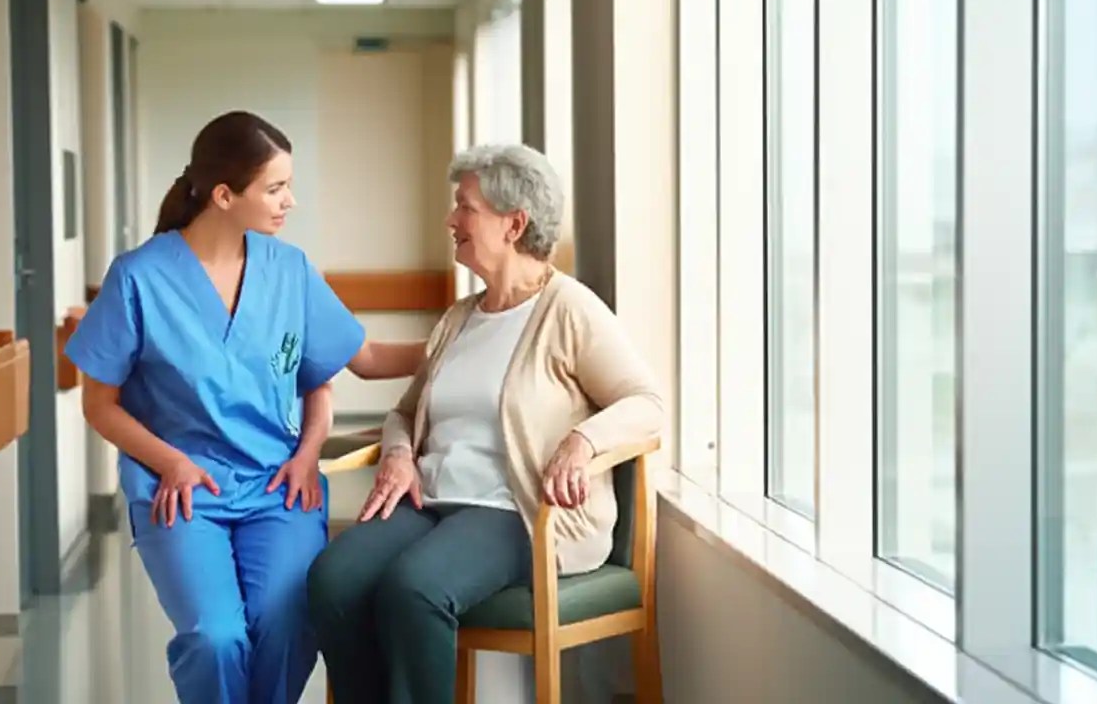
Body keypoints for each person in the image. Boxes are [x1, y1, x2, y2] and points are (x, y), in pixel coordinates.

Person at [65, 110, 424, 704]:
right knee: (216, 637)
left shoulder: (290, 270)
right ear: (225, 195)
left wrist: (467, 336)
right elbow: (100, 404)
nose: (291, 201)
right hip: (180, 490)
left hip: (278, 487)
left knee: (286, 627)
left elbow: (348, 366)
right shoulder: (139, 278)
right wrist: (171, 462)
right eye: (276, 188)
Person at [307, 143, 664, 703]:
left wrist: (581, 442)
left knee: (415, 588)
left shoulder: (569, 309)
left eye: (464, 206)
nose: (452, 220)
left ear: (514, 223)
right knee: (334, 577)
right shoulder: (459, 318)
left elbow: (646, 401)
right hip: (432, 500)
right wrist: (399, 455)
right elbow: (405, 412)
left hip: (514, 510)